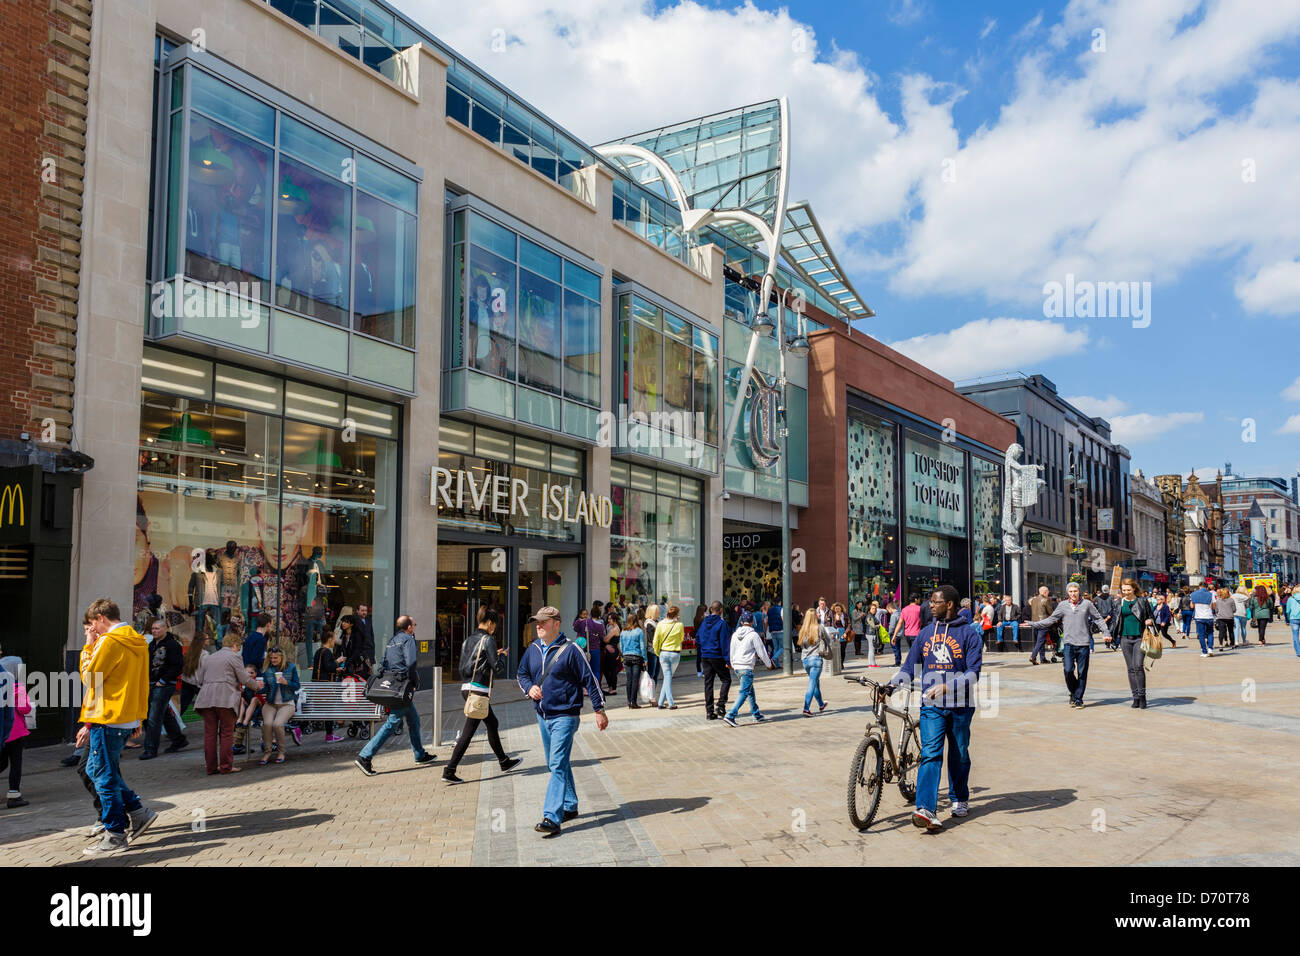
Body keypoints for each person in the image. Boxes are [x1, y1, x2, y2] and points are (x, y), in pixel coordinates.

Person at [888, 585, 983, 831]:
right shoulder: (925, 633)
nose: (930, 605)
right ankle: (925, 809)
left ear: (949, 604)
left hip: (961, 705)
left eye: (935, 601)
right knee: (931, 753)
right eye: (930, 601)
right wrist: (891, 685)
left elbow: (974, 674)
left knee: (959, 754)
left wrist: (947, 687)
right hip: (931, 706)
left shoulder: (969, 634)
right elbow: (910, 668)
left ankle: (959, 797)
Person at [516, 606, 608, 836]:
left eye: (543, 622)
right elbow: (522, 674)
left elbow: (590, 679)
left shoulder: (571, 650)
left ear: (556, 623)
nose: (538, 626)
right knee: (556, 762)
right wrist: (530, 689)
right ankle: (570, 804)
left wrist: (599, 709)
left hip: (566, 716)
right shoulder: (533, 649)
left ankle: (551, 817)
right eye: (536, 622)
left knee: (556, 764)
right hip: (542, 716)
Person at [77, 599, 157, 855]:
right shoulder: (137, 640)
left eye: (93, 625)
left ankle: (115, 834)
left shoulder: (110, 641)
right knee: (98, 769)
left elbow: (90, 679)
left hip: (108, 715)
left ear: (101, 617)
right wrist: (138, 717)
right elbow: (143, 682)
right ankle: (139, 812)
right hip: (125, 715)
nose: (93, 630)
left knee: (102, 775)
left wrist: (88, 646)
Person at [443, 606, 521, 783]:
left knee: (492, 723)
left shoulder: (468, 640)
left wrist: (493, 656)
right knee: (468, 733)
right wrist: (502, 656)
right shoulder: (488, 640)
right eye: (495, 625)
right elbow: (498, 668)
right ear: (491, 623)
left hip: (467, 687)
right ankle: (449, 770)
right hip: (479, 689)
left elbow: (467, 665)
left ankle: (504, 761)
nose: (495, 629)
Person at [355, 616, 436, 775]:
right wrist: (413, 682)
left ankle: (419, 754)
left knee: (413, 719)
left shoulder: (392, 641)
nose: (415, 627)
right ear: (409, 627)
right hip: (401, 687)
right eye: (414, 624)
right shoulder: (408, 640)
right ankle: (365, 756)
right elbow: (411, 663)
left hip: (393, 686)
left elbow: (383, 663)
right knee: (392, 723)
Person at [1022, 582, 1106, 708]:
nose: (1073, 594)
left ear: (1079, 592)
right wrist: (1033, 624)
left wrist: (1106, 632)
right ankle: (1073, 692)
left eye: (1075, 591)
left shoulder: (1087, 604)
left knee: (1082, 673)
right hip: (1068, 644)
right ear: (1068, 593)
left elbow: (1098, 618)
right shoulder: (1063, 605)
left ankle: (1078, 699)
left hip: (1083, 644)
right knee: (1068, 670)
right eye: (1071, 591)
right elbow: (1050, 620)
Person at [194, 628, 261, 774]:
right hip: (226, 698)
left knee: (209, 734)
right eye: (238, 647)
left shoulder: (209, 657)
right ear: (235, 646)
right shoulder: (234, 657)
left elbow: (199, 679)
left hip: (206, 698)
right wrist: (257, 686)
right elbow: (244, 678)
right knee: (226, 733)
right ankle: (226, 766)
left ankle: (211, 767)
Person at [140, 618, 188, 760]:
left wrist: (163, 680)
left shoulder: (173, 645)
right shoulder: (152, 645)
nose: (154, 631)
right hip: (152, 683)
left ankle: (150, 749)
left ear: (165, 629)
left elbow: (178, 666)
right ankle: (178, 739)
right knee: (163, 713)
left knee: (154, 717)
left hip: (164, 685)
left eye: (157, 628)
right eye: (153, 629)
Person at [1107, 579, 1155, 708]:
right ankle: (1135, 697)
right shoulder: (1119, 603)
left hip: (1139, 637)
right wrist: (1109, 635)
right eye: (1124, 590)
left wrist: (1149, 621)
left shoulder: (1142, 601)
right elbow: (1115, 621)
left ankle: (1142, 696)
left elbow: (1151, 617)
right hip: (1124, 639)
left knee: (1138, 666)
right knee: (1130, 668)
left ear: (1134, 589)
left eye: (1128, 590)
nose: (1126, 592)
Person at [723, 610, 773, 726]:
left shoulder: (735, 634)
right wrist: (769, 664)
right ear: (752, 622)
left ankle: (756, 714)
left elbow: (732, 650)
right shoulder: (753, 635)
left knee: (750, 690)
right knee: (744, 692)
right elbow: (761, 651)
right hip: (746, 666)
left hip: (737, 667)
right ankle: (730, 715)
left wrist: (732, 663)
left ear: (741, 621)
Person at [258, 646, 300, 765]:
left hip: (287, 704)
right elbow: (266, 688)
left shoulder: (290, 667)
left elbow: (297, 685)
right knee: (267, 724)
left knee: (277, 724)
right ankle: (267, 752)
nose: (273, 660)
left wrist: (287, 683)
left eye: (275, 658)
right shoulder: (267, 669)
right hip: (271, 703)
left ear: (282, 657)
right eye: (271, 658)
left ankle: (281, 752)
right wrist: (259, 688)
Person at [0, 650, 31, 808]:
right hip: (15, 733)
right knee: (15, 764)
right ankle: (14, 795)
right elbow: (25, 709)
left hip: (2, 734)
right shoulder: (17, 687)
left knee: (2, 762)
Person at [695, 602, 731, 720]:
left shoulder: (704, 622)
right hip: (717, 656)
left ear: (711, 609)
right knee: (726, 679)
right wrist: (728, 660)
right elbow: (724, 642)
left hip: (705, 656)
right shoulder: (722, 623)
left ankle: (709, 711)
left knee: (708, 683)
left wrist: (703, 650)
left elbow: (698, 638)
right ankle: (721, 705)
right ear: (720, 610)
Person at [311, 629, 344, 741]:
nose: (334, 641)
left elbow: (323, 667)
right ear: (330, 639)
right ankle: (329, 735)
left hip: (317, 685)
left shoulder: (318, 652)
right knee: (329, 710)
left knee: (321, 710)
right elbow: (328, 666)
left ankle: (300, 728)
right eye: (334, 639)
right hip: (325, 686)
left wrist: (335, 668)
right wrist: (338, 661)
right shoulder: (327, 652)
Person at [798, 608, 832, 716]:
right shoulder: (819, 628)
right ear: (814, 617)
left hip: (805, 660)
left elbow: (800, 644)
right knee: (812, 683)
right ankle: (806, 708)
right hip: (816, 659)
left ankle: (821, 704)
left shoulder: (803, 629)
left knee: (815, 682)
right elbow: (828, 640)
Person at [653, 605, 685, 709]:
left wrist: (658, 652)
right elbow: (681, 639)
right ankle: (671, 703)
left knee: (667, 677)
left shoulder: (660, 624)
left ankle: (661, 703)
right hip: (675, 653)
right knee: (668, 677)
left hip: (663, 653)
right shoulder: (679, 625)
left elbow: (655, 641)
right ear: (676, 615)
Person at [619, 609, 647, 708]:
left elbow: (621, 646)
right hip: (637, 656)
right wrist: (645, 659)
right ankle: (633, 702)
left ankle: (628, 701)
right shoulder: (639, 631)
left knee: (629, 680)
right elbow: (642, 646)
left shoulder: (623, 631)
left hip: (626, 657)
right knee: (635, 680)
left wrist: (624, 654)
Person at [893, 594, 923, 667]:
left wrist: (894, 636)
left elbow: (899, 623)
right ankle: (917, 671)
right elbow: (922, 621)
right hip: (917, 633)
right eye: (919, 599)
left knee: (913, 651)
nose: (919, 600)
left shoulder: (904, 609)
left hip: (907, 635)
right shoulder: (920, 609)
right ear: (916, 599)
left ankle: (914, 669)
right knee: (917, 653)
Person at [1027, 586, 1054, 665]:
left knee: (1040, 641)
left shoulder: (1033, 600)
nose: (1048, 593)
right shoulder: (1045, 600)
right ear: (1045, 592)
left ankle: (1043, 659)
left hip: (1035, 623)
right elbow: (1050, 612)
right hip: (1043, 622)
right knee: (1040, 641)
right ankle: (1033, 656)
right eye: (1048, 592)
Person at [601, 609, 622, 694]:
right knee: (607, 668)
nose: (608, 620)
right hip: (612, 649)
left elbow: (606, 640)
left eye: (610, 619)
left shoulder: (615, 629)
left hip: (612, 650)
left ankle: (613, 688)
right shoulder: (610, 627)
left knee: (611, 669)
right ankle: (611, 687)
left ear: (614, 620)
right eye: (608, 618)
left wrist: (600, 635)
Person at [1093, 585, 1117, 651]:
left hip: (1101, 616)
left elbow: (1095, 608)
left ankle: (1108, 643)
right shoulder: (1111, 597)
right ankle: (1111, 642)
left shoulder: (1097, 598)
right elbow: (1113, 607)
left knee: (1105, 630)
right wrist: (1109, 615)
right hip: (1110, 616)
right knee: (1110, 630)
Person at [767, 600, 784, 669]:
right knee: (783, 647)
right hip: (780, 630)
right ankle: (774, 658)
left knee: (775, 648)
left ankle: (777, 665)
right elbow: (783, 619)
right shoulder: (781, 609)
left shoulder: (769, 610)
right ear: (780, 602)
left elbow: (767, 620)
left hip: (772, 631)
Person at [691, 605, 707, 677]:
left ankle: (699, 671)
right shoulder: (704, 619)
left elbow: (695, 628)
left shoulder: (695, 618)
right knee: (704, 655)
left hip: (697, 637)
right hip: (704, 637)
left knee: (698, 655)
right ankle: (704, 671)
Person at [1287, 587, 1300, 658]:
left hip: (1294, 618)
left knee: (1295, 636)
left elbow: (1288, 610)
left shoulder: (1290, 599)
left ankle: (1298, 652)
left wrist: (1289, 618)